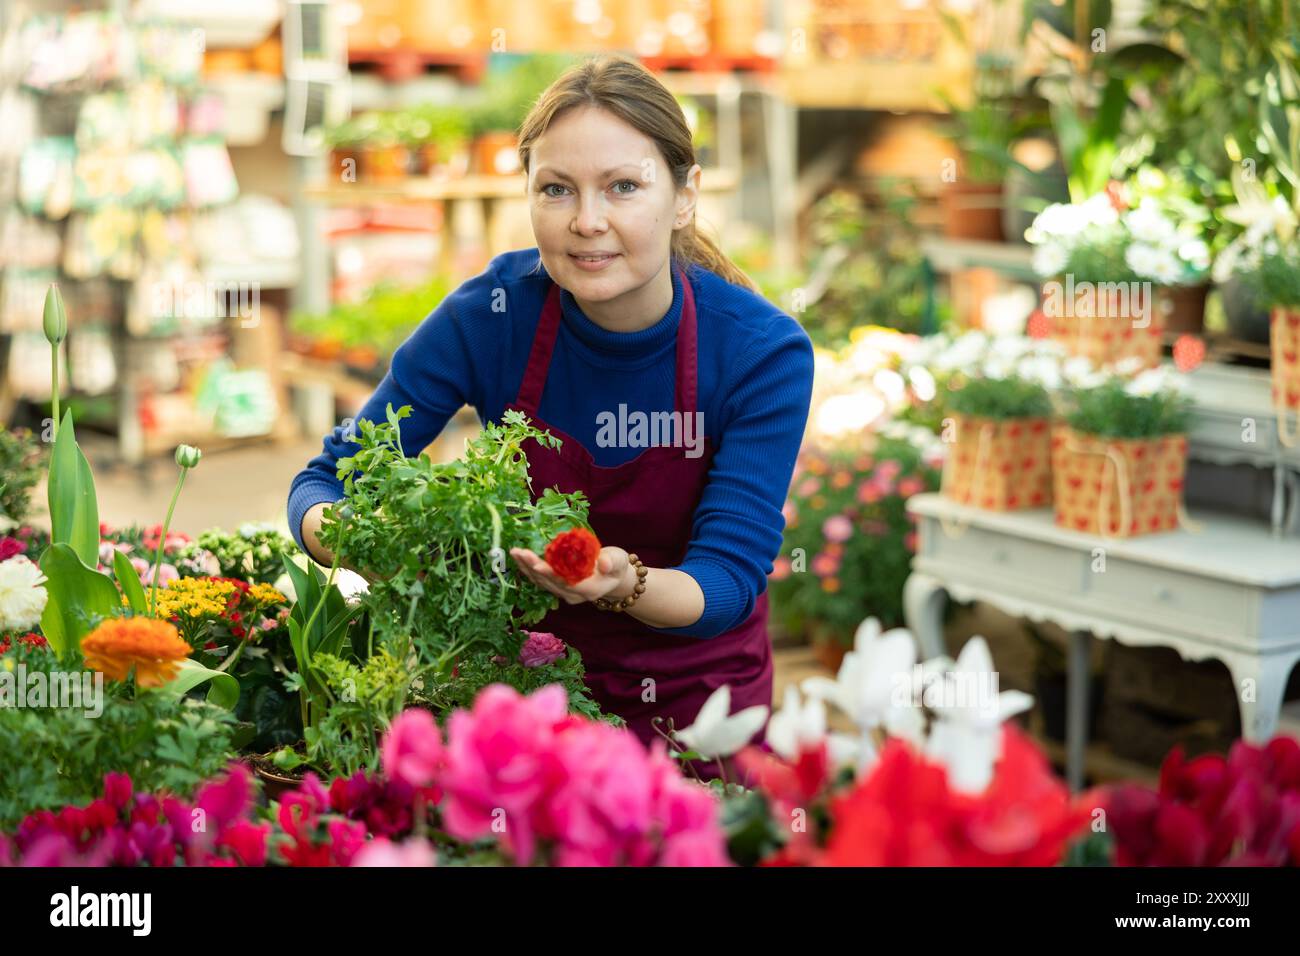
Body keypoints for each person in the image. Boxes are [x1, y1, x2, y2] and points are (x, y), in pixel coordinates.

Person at [288, 54, 814, 754]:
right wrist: (375, 544)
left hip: (697, 710)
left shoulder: (761, 352)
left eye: (623, 186)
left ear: (685, 195)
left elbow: (724, 583)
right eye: (557, 189)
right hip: (521, 705)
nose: (587, 221)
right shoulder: (492, 315)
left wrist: (622, 585)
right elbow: (324, 482)